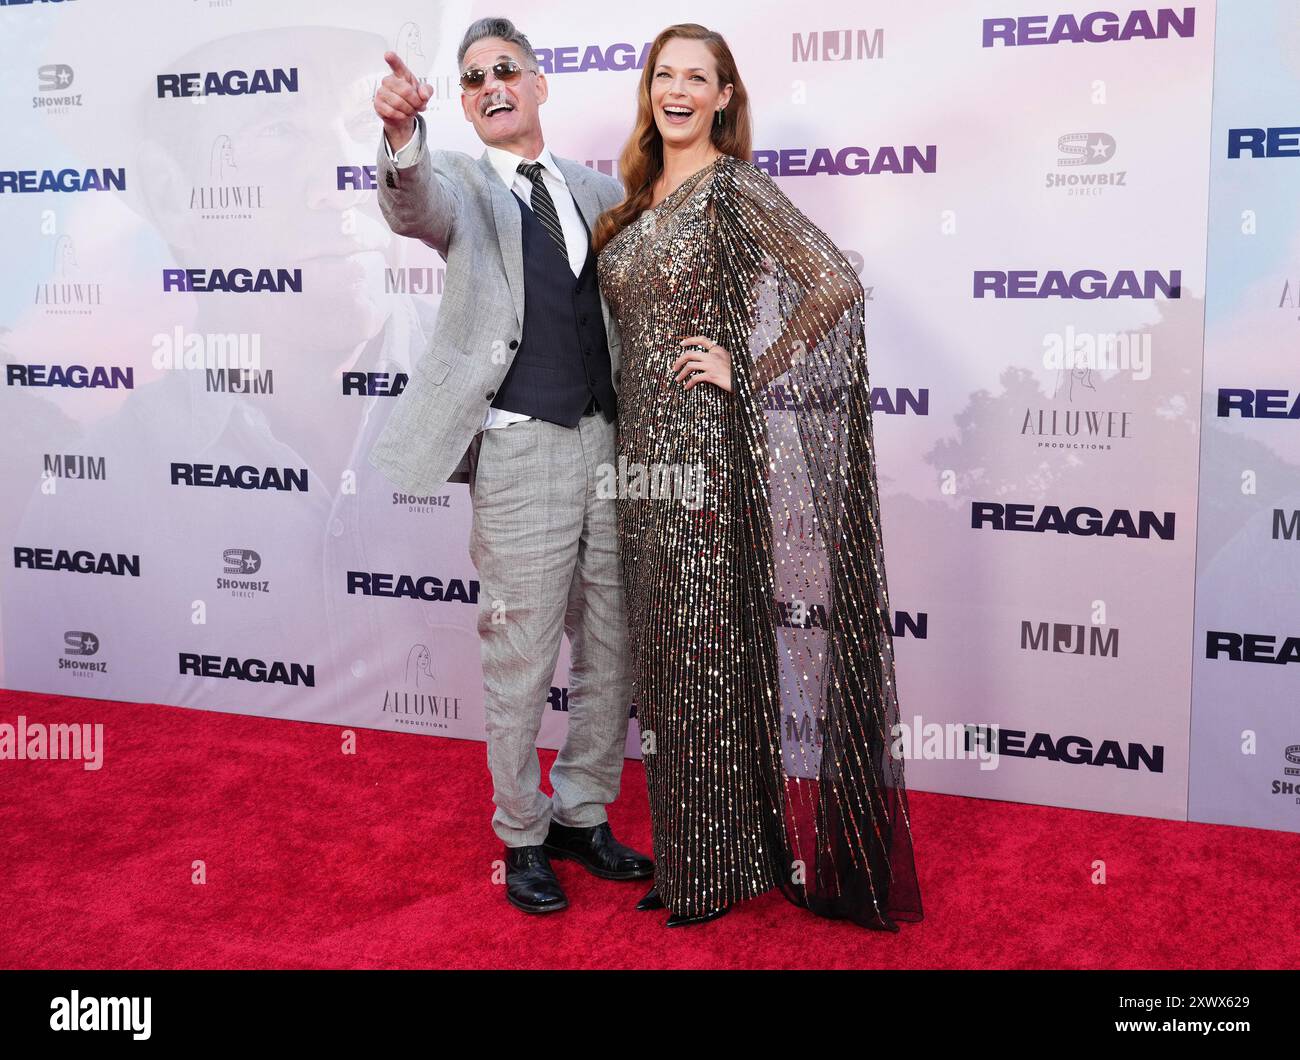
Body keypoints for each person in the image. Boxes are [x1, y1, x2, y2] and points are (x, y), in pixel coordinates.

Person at [594, 23, 923, 929]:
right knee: (668, 667)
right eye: (665, 74)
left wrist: (755, 364)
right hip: (640, 466)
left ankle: (711, 871)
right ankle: (707, 852)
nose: (679, 91)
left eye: (698, 78)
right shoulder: (634, 199)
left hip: (704, 454)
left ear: (724, 97)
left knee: (708, 655)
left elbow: (834, 285)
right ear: (649, 89)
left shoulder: (733, 191)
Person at [369, 16, 653, 915]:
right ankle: (523, 834)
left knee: (612, 644)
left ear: (538, 83)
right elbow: (413, 206)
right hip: (521, 446)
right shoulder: (457, 181)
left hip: (611, 445)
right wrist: (403, 138)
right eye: (472, 78)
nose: (490, 85)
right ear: (462, 102)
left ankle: (581, 811)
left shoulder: (598, 189)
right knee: (520, 653)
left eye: (505, 71)